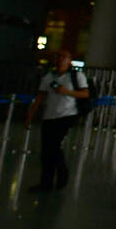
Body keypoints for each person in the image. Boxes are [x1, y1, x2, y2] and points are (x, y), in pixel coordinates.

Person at [24, 50, 89, 192]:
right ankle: (47, 181)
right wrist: (30, 115)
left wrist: (67, 92)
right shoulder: (48, 77)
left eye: (64, 57)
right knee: (48, 150)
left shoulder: (77, 76)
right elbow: (40, 97)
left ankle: (59, 175)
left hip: (67, 115)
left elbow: (85, 93)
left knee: (53, 147)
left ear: (70, 61)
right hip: (49, 116)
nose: (60, 59)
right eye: (58, 57)